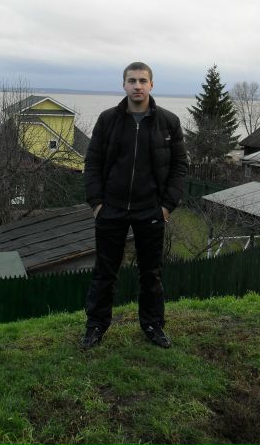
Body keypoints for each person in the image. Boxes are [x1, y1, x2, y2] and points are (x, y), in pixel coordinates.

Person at [81, 61, 187, 350]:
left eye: (142, 80)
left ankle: (153, 325)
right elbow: (93, 162)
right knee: (105, 272)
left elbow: (179, 166)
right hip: (111, 208)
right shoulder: (108, 120)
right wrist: (97, 204)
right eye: (132, 81)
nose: (137, 86)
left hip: (150, 209)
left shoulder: (168, 122)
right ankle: (95, 326)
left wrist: (166, 206)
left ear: (151, 84)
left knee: (151, 273)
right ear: (124, 85)